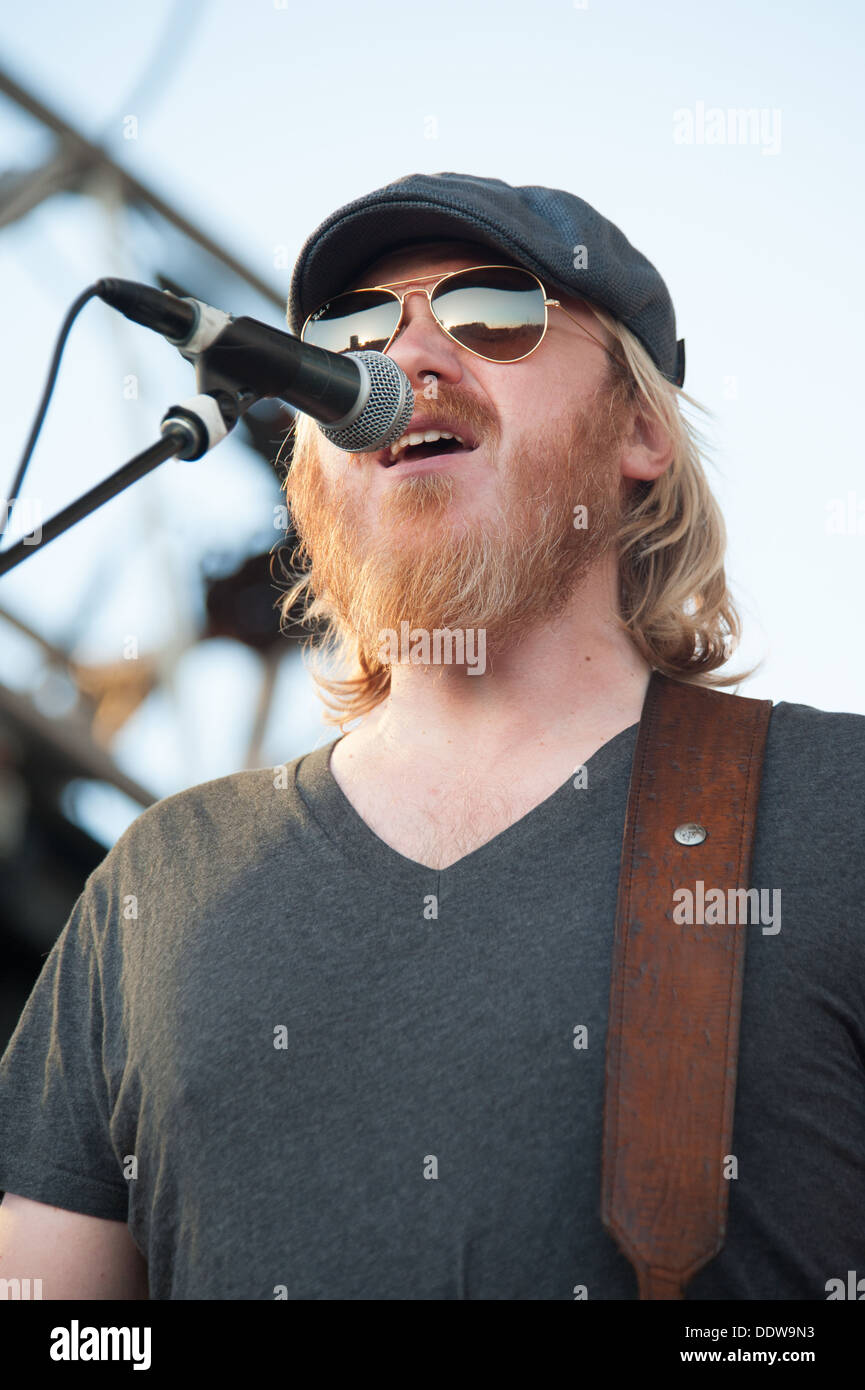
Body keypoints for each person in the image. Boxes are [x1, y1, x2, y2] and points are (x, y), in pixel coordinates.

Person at [0, 172, 863, 1301]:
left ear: (639, 430)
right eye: (353, 326)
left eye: (491, 313)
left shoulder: (836, 813)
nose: (404, 360)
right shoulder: (156, 880)